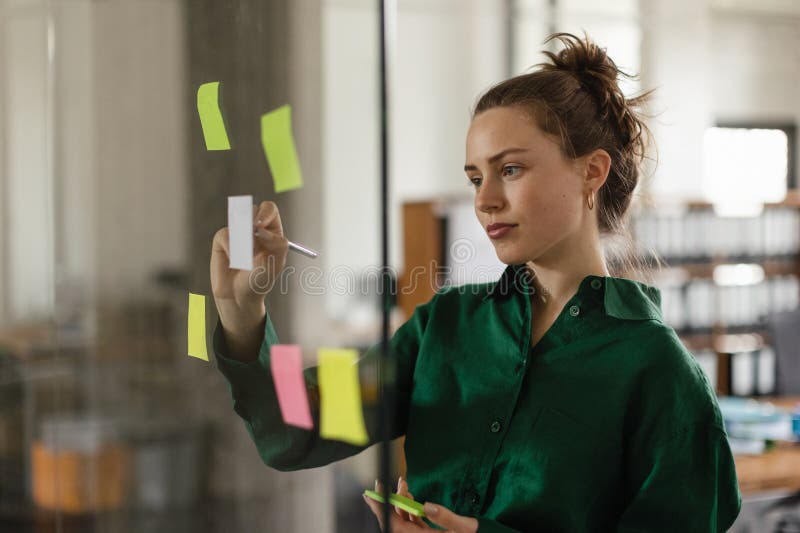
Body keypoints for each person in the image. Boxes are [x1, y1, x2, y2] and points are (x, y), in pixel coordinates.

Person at [210, 32, 742, 533]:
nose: (484, 199)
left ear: (592, 172)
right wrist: (244, 313)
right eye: (474, 177)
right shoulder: (443, 328)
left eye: (510, 169)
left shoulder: (660, 373)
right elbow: (292, 431)